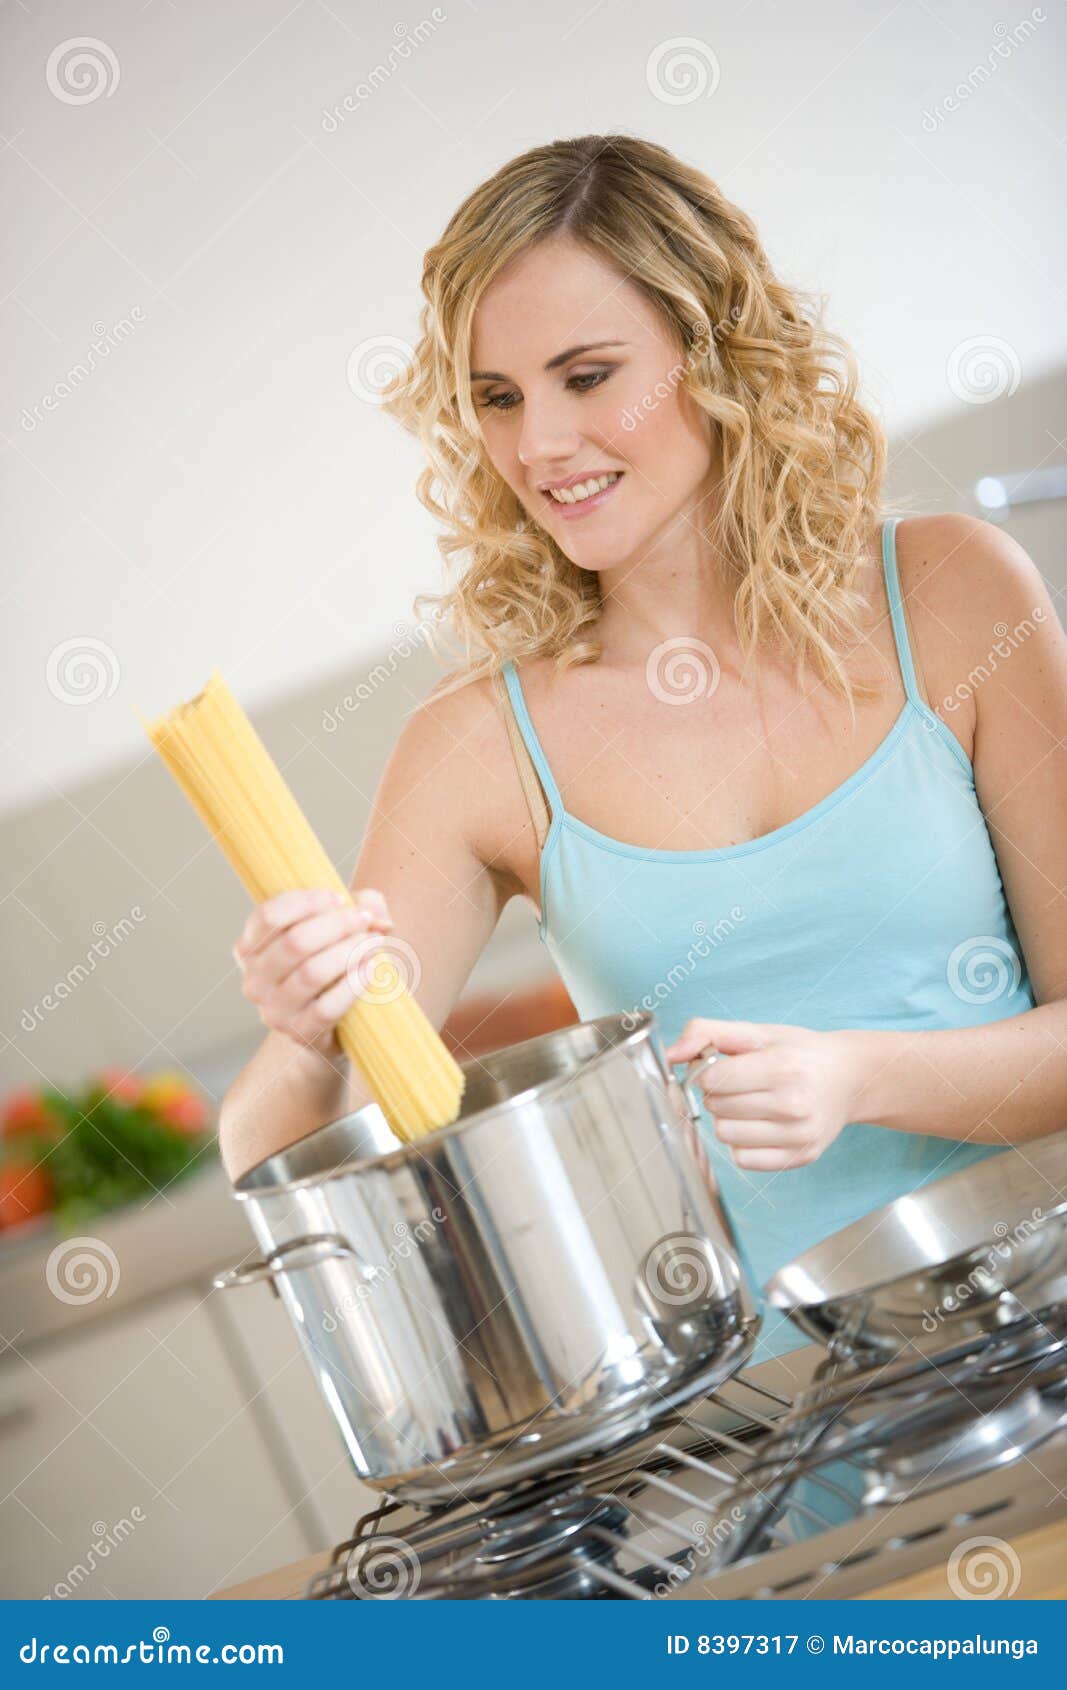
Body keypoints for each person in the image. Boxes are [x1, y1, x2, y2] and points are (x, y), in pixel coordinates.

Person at [220, 134, 1067, 1364]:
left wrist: (856, 1078)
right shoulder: (477, 749)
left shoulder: (950, 596)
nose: (541, 446)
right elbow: (272, 1159)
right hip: (780, 1423)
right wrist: (306, 1039)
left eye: (586, 374)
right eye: (498, 397)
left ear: (713, 352)